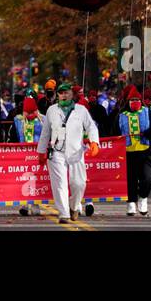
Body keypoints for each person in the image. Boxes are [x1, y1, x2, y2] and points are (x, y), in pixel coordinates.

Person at [38, 82, 100, 223]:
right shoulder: (52, 110)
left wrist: (94, 141)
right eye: (61, 92)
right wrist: (41, 152)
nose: (64, 95)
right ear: (58, 95)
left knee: (79, 183)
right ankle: (64, 213)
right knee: (60, 184)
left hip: (76, 151)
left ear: (71, 94)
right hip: (56, 153)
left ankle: (73, 206)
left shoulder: (81, 110)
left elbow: (91, 127)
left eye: (66, 92)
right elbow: (45, 132)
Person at [119, 88, 151, 217]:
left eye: (137, 100)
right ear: (128, 102)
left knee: (149, 177)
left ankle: (143, 196)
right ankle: (131, 202)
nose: (135, 102)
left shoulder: (149, 113)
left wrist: (148, 133)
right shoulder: (121, 115)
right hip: (128, 153)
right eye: (132, 100)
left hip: (146, 151)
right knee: (130, 179)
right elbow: (113, 131)